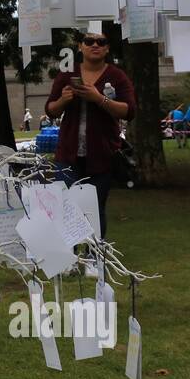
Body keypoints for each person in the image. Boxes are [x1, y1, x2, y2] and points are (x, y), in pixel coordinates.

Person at [45, 30, 137, 238]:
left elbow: (129, 111)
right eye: (89, 41)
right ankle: (70, 258)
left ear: (107, 48)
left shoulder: (116, 76)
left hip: (102, 156)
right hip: (68, 155)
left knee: (95, 209)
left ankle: (94, 259)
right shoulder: (67, 75)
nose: (95, 45)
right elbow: (51, 109)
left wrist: (99, 99)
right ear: (80, 47)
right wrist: (63, 100)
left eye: (101, 41)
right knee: (66, 208)